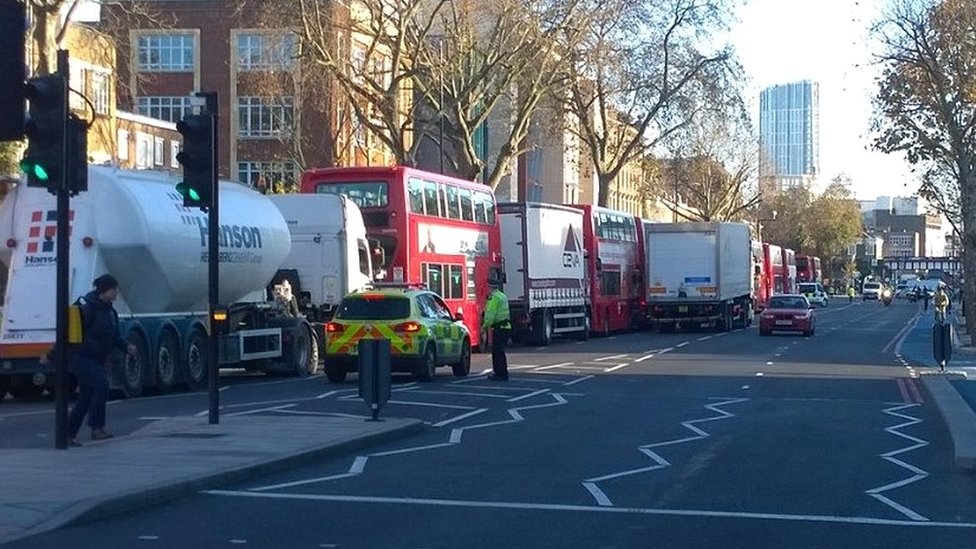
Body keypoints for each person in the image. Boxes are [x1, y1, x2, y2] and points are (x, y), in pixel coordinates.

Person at [42, 274, 137, 446]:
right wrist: (50, 355)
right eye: (113, 289)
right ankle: (97, 428)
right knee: (102, 384)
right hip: (80, 357)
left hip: (96, 358)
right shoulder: (84, 309)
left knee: (86, 396)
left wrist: (127, 347)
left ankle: (68, 434)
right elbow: (66, 335)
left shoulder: (110, 311)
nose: (116, 293)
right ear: (103, 291)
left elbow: (115, 336)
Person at [481, 277, 511, 381]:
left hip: (499, 328)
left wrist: (484, 327)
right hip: (506, 326)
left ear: (490, 287)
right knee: (501, 351)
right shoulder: (502, 296)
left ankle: (499, 374)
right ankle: (503, 373)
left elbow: (490, 315)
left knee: (497, 352)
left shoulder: (494, 298)